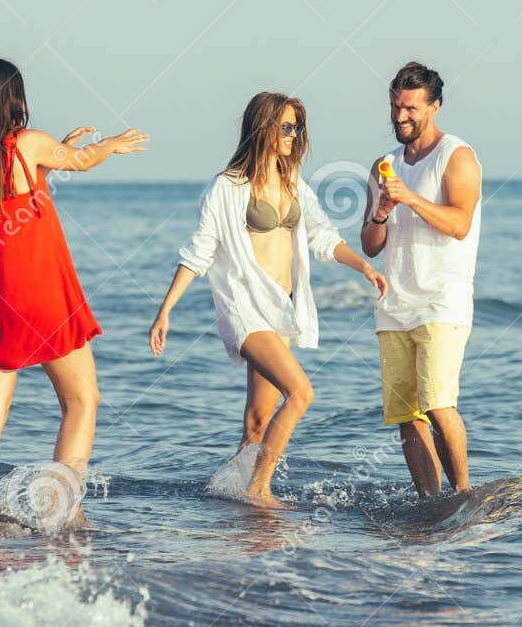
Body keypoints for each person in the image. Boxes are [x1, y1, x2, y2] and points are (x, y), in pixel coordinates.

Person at [0, 56, 147, 525]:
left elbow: (14, 189)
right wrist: (108, 145)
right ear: (14, 98)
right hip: (37, 293)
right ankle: (59, 509)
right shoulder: (28, 143)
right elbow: (85, 162)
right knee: (81, 401)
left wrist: (57, 152)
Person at [150, 92, 387, 508]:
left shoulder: (294, 183)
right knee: (301, 393)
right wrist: (165, 310)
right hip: (245, 308)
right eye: (287, 127)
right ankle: (260, 488)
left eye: (297, 128)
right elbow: (199, 252)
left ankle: (231, 497)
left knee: (258, 421)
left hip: (282, 309)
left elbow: (323, 237)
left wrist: (363, 267)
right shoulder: (227, 187)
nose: (294, 136)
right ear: (263, 127)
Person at [361, 61, 481, 497]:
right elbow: (370, 243)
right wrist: (382, 212)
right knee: (407, 414)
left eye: (410, 108)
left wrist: (410, 198)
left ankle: (464, 496)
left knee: (438, 404)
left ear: (435, 107)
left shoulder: (457, 155)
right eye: (395, 106)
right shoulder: (384, 166)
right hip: (394, 305)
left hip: (441, 301)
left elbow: (460, 223)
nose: (399, 117)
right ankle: (430, 504)